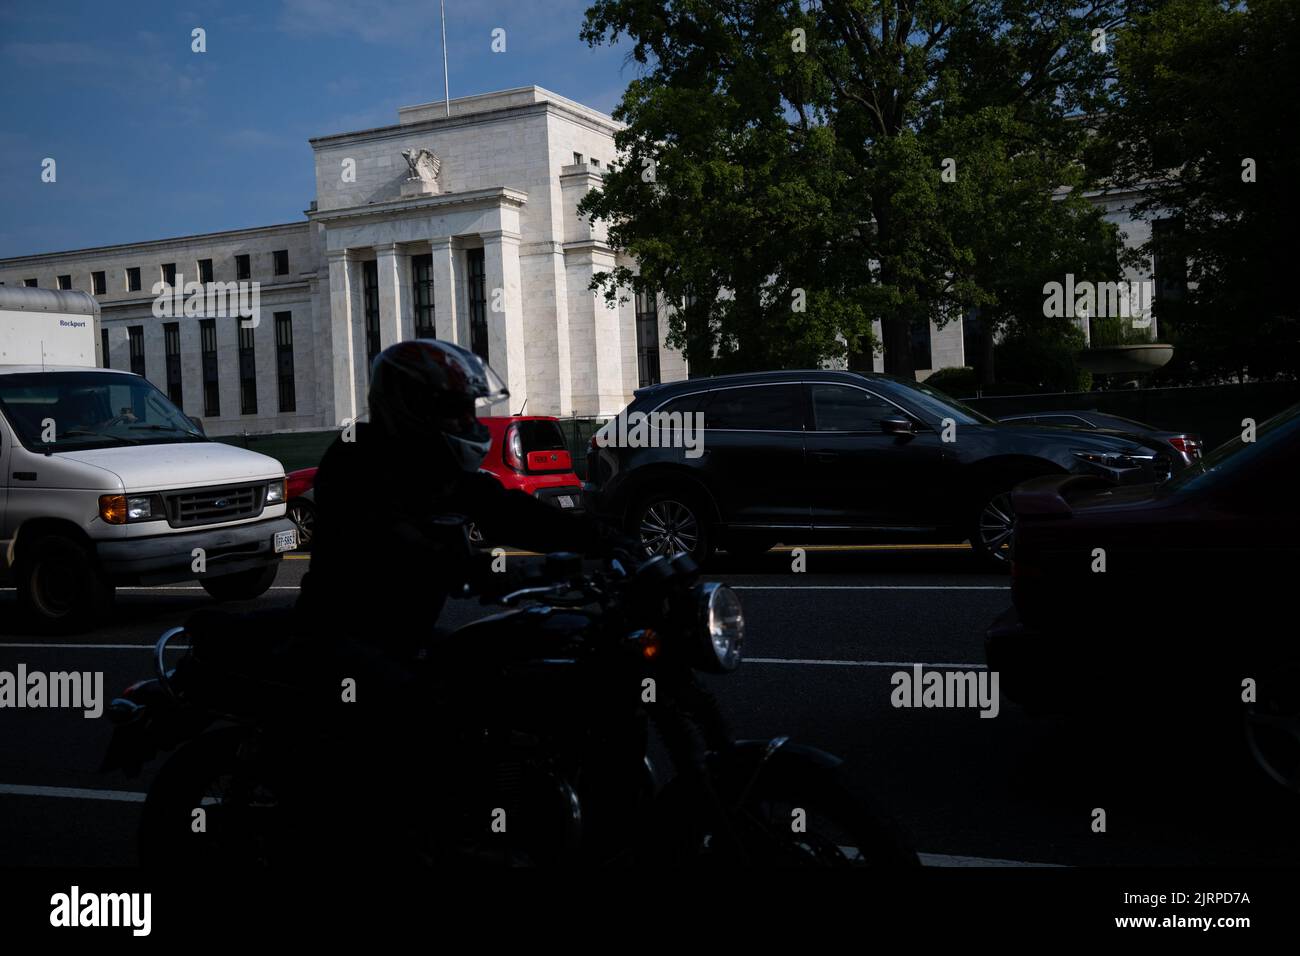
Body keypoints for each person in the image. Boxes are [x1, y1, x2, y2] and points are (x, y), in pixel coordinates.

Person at [296, 338, 628, 662]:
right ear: (412, 408)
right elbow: (406, 549)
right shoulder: (360, 460)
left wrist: (601, 538)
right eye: (456, 410)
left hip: (406, 635)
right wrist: (500, 572)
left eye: (470, 410)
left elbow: (506, 511)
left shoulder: (435, 468)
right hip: (344, 645)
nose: (470, 423)